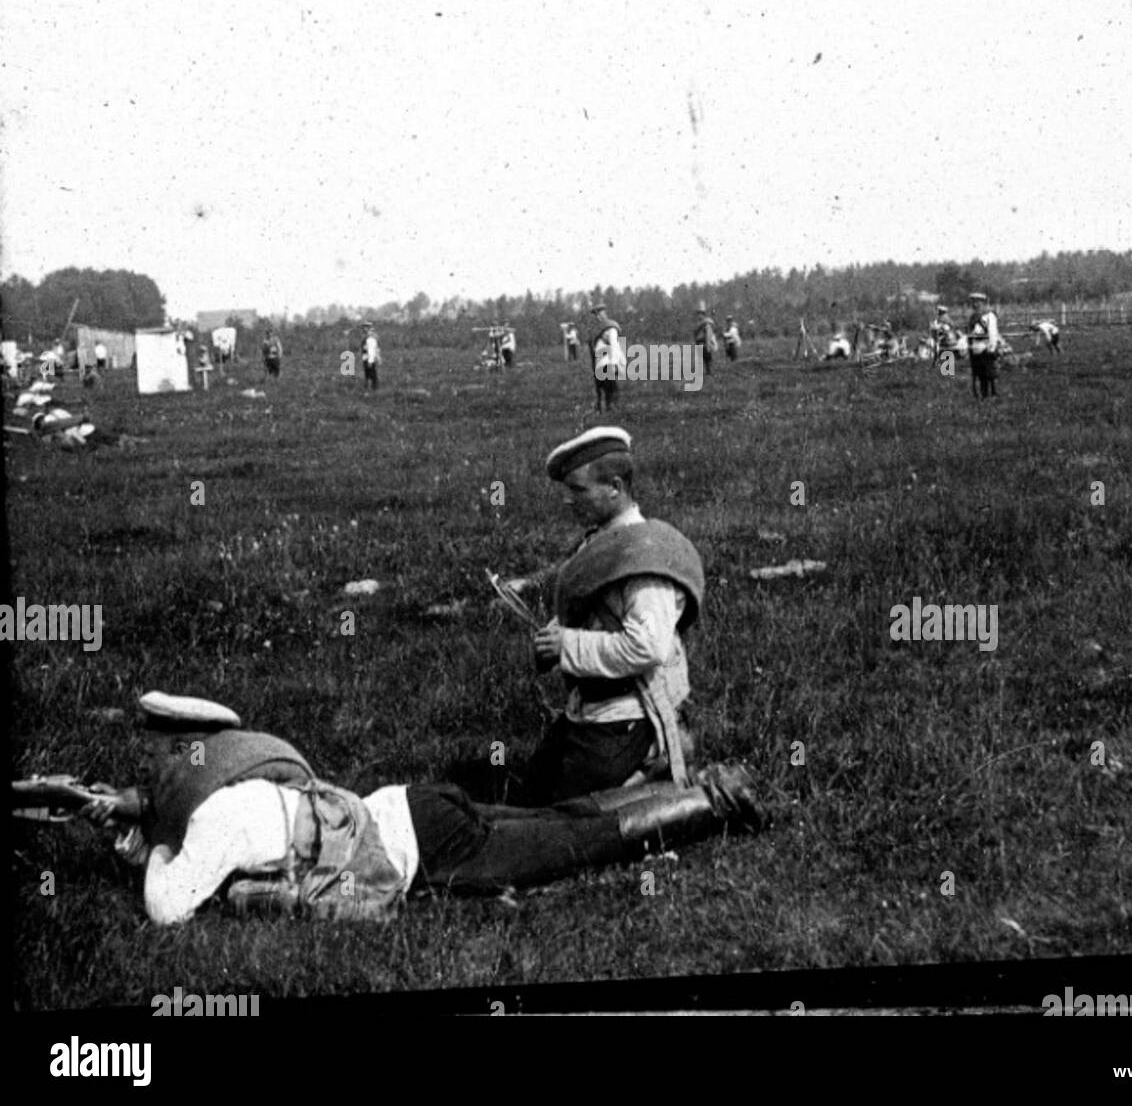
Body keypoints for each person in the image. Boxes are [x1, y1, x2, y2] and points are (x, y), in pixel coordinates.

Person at [78, 692, 763, 925]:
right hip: (411, 805)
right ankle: (686, 786)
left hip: (424, 849)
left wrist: (150, 850)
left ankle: (712, 803)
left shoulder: (210, 823)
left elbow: (168, 908)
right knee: (561, 821)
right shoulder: (242, 793)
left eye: (158, 765)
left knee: (571, 846)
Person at [505, 427, 703, 805]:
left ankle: (649, 768)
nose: (568, 501)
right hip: (591, 706)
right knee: (529, 796)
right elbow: (593, 612)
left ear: (614, 486)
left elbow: (647, 648)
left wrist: (568, 644)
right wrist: (555, 638)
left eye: (578, 490)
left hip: (629, 712)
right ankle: (632, 775)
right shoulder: (599, 540)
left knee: (562, 819)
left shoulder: (646, 555)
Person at [587, 303, 624, 412]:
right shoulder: (597, 330)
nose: (597, 317)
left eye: (599, 314)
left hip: (607, 362)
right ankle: (604, 407)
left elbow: (614, 345)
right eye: (595, 315)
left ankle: (610, 407)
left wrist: (614, 363)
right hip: (599, 362)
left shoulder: (611, 328)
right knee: (602, 387)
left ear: (604, 314)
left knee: (610, 387)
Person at [967, 292, 1000, 399]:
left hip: (986, 346)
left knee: (990, 373)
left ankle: (994, 393)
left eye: (977, 302)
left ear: (982, 302)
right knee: (980, 374)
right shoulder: (973, 316)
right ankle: (984, 395)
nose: (974, 304)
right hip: (975, 347)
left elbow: (992, 332)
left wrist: (992, 347)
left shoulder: (989, 315)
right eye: (973, 302)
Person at [693, 307, 717, 375]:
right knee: (702, 358)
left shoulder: (706, 323)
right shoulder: (699, 323)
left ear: (703, 315)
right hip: (699, 343)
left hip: (705, 343)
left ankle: (710, 372)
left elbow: (709, 334)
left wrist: (707, 343)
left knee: (708, 358)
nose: (698, 316)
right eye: (698, 314)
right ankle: (705, 371)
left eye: (700, 314)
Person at [360, 323, 381, 391]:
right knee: (368, 373)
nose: (363, 329)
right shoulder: (367, 336)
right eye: (363, 327)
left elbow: (371, 350)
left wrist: (370, 361)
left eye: (365, 327)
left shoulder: (370, 337)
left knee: (371, 373)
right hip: (366, 357)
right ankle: (370, 387)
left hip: (369, 358)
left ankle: (372, 387)